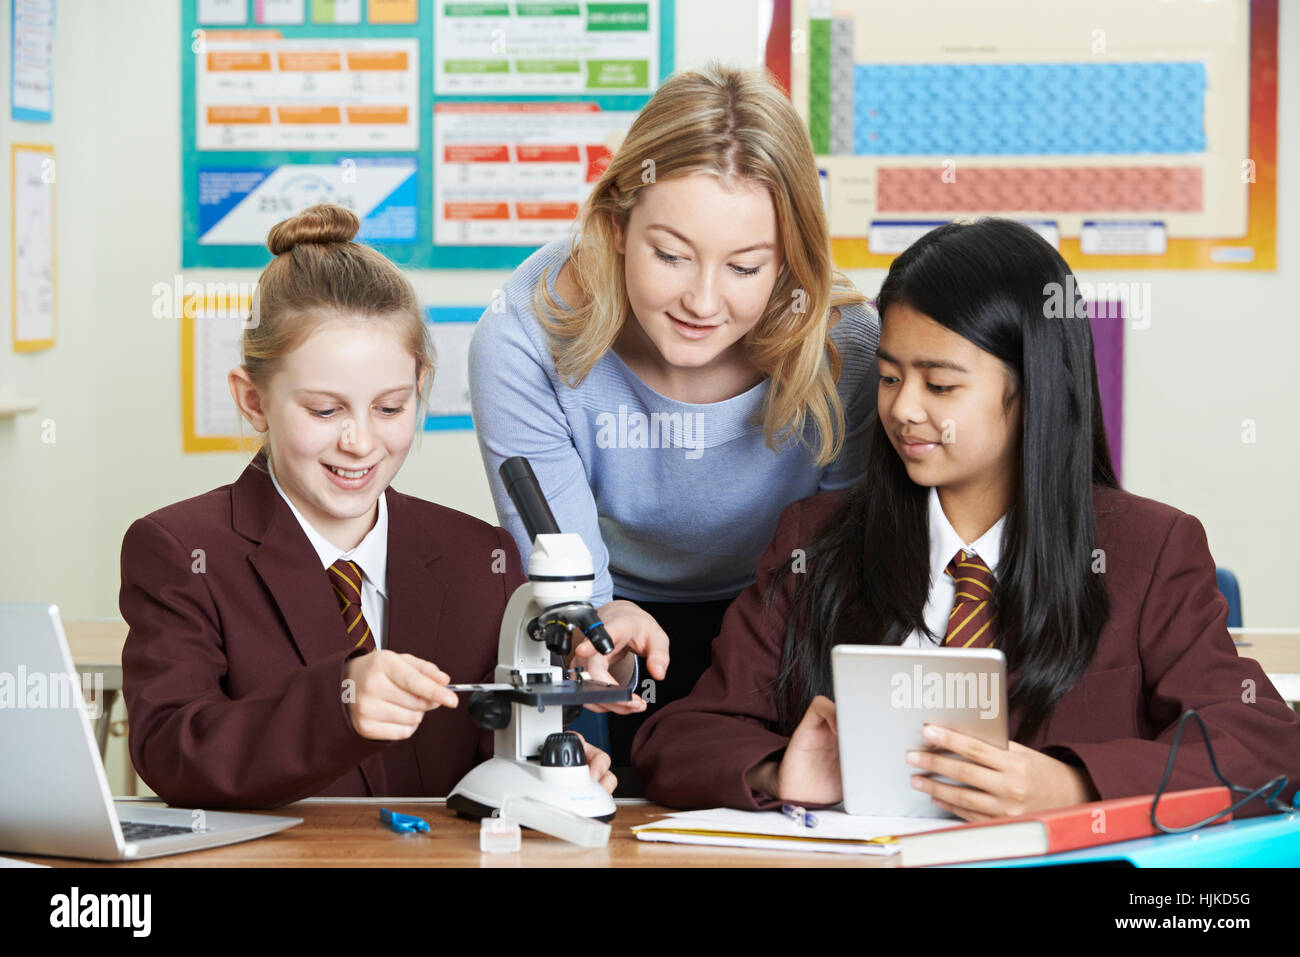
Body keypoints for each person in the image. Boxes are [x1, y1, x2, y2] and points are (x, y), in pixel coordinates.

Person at [632, 217, 1300, 819]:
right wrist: (780, 768)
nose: (904, 410)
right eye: (891, 377)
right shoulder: (818, 540)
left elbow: (1262, 744)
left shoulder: (1151, 550)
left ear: (1032, 390)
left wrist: (1073, 786)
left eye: (941, 384)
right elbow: (678, 739)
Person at [120, 204, 616, 809]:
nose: (359, 441)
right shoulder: (181, 550)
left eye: (389, 408)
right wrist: (340, 700)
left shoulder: (480, 556)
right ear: (253, 401)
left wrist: (545, 765)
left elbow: (487, 741)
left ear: (420, 387)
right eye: (325, 411)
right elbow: (172, 750)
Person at [468, 61, 880, 789]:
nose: (702, 299)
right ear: (618, 224)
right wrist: (600, 642)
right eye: (670, 255)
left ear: (789, 260)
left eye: (746, 267)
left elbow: (843, 562)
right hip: (609, 599)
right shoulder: (522, 334)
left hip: (778, 609)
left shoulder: (846, 346)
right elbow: (569, 579)